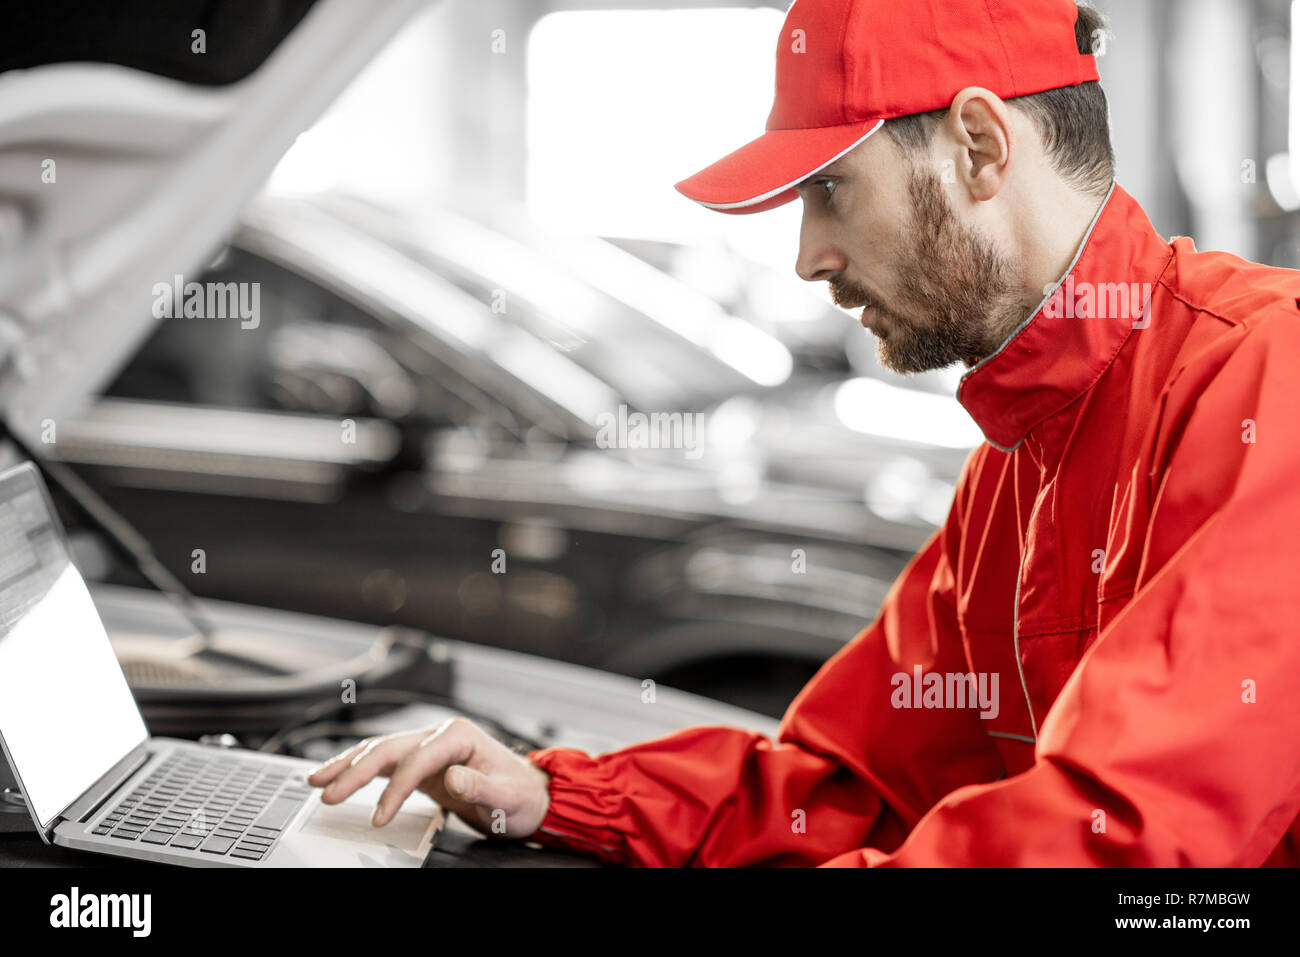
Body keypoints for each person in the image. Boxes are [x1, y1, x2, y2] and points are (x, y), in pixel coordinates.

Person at [307, 0, 1300, 866]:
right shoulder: (1021, 455)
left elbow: (1121, 833)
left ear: (979, 147)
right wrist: (556, 795)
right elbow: (853, 786)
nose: (807, 258)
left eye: (831, 187)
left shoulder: (1267, 374)